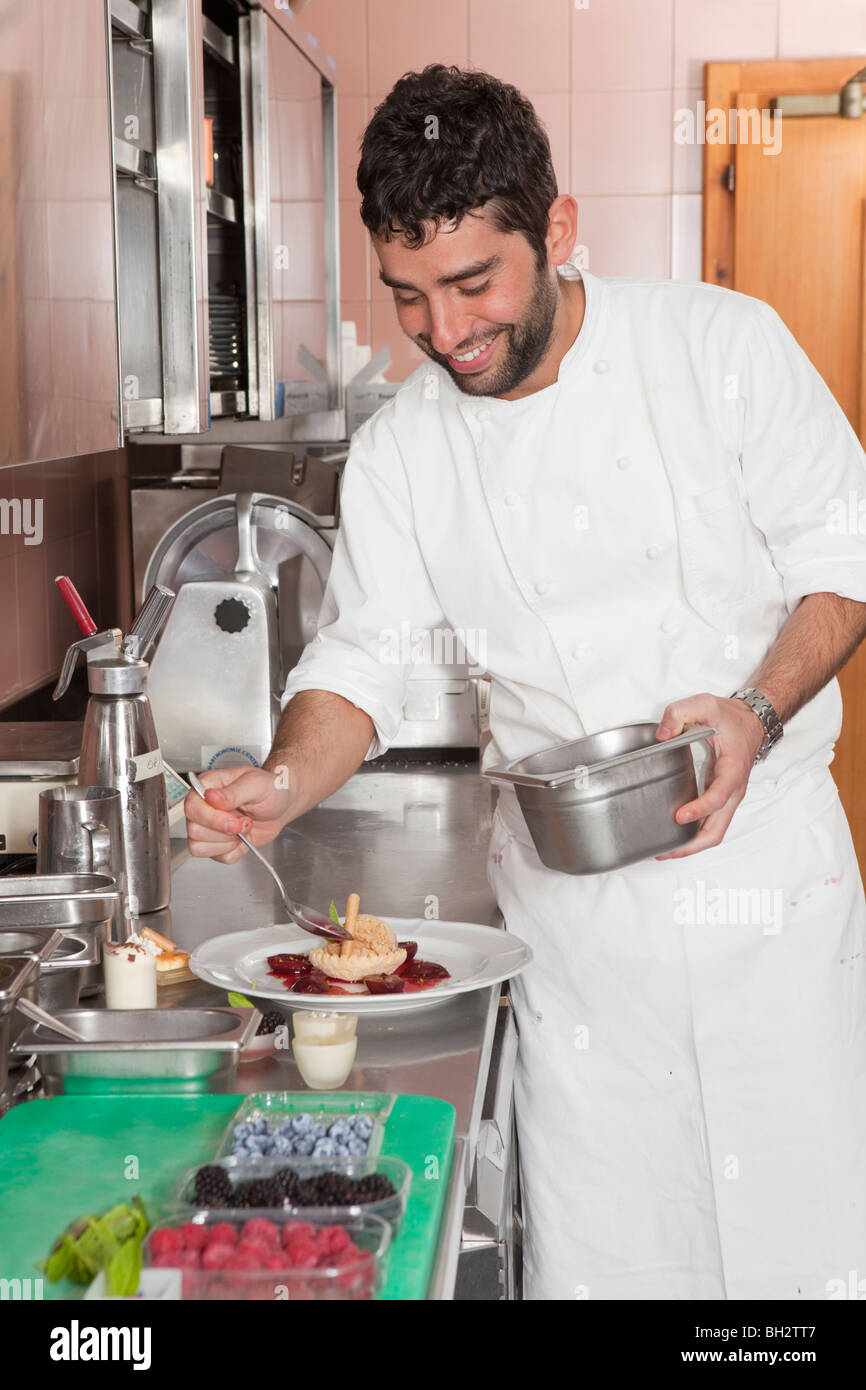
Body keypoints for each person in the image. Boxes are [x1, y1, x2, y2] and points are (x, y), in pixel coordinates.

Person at [185, 65, 866, 1300]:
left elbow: (842, 558)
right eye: (407, 298)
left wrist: (754, 709)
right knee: (613, 1269)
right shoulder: (403, 448)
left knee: (798, 1269)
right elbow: (365, 662)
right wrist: (282, 779)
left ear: (554, 229)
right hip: (574, 939)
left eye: (471, 284)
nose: (445, 335)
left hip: (764, 900)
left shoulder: (718, 346)